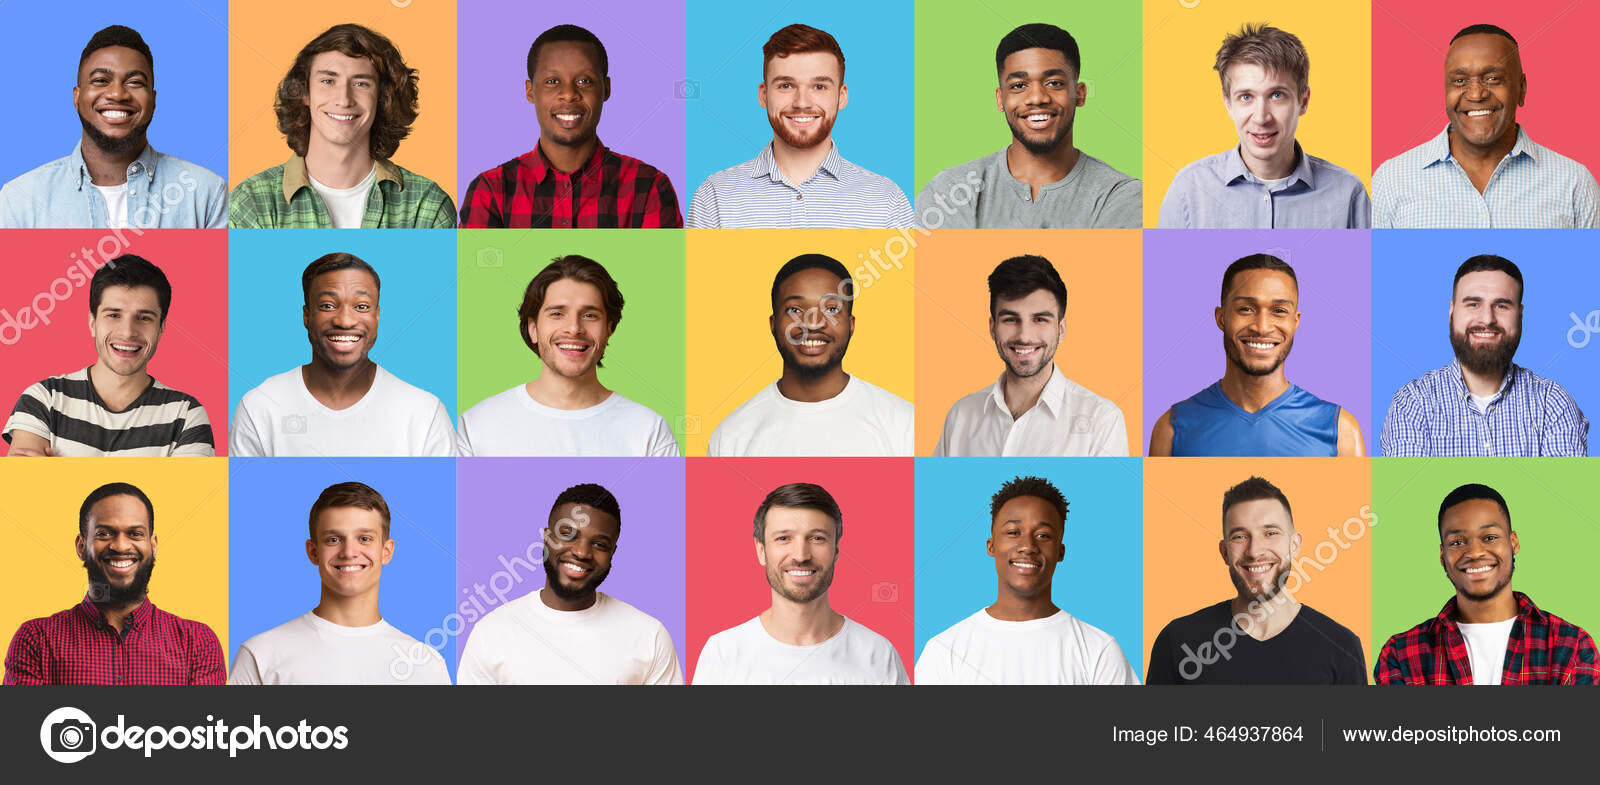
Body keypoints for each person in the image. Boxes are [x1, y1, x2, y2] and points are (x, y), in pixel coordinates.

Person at [1371, 24, 1599, 228]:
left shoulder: (1574, 184)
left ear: (1522, 88)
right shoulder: (1391, 180)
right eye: (1459, 81)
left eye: (1492, 78)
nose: (1476, 93)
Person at [915, 23, 1140, 229]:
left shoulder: (1120, 195)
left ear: (1079, 94)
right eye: (1019, 85)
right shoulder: (950, 191)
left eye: (1054, 83)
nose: (1036, 98)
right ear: (1000, 99)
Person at [915, 476, 1138, 684]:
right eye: (1013, 532)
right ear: (991, 546)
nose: (1028, 547)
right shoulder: (943, 651)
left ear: (1060, 552)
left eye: (1043, 535)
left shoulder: (1099, 650)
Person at [686, 24, 913, 228]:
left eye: (820, 87)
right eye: (786, 85)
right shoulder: (715, 196)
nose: (802, 102)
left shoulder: (886, 201)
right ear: (764, 95)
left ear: (841, 97)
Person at [0, 25, 227, 228]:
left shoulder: (206, 194)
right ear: (77, 97)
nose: (117, 94)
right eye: (100, 80)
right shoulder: (20, 199)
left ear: (153, 99)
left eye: (135, 82)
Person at [229, 24, 455, 228]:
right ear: (304, 93)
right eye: (328, 81)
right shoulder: (253, 202)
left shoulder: (427, 205)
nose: (344, 99)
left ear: (382, 97)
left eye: (360, 83)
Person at [229, 253, 455, 456]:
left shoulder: (424, 412)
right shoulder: (260, 406)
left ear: (377, 316)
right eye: (328, 306)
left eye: (362, 307)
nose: (345, 321)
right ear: (307, 316)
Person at [1147, 476, 1366, 684]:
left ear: (1294, 545)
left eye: (1270, 533)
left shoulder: (1341, 646)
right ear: (1224, 552)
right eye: (1240, 537)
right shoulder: (1177, 641)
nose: (1254, 551)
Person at [459, 25, 682, 228]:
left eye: (584, 81)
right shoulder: (491, 191)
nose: (568, 94)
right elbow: (478, 273)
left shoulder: (649, 187)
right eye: (552, 81)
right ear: (530, 91)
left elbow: (658, 273)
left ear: (606, 89)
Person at [458, 483, 681, 684]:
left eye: (599, 544)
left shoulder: (649, 636)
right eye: (568, 535)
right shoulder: (491, 633)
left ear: (612, 553)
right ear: (546, 538)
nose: (582, 552)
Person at [456, 256, 679, 456]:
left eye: (590, 315)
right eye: (557, 314)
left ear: (609, 330)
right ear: (533, 329)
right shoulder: (476, 425)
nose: (574, 328)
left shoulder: (650, 431)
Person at [1375, 484, 1598, 685]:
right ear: (1443, 556)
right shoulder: (1402, 654)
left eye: (1489, 537)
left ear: (1513, 542)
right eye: (1457, 542)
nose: (1474, 553)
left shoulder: (1570, 646)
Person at [4, 482, 225, 684]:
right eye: (105, 533)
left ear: (153, 545)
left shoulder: (197, 643)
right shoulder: (36, 640)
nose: (120, 546)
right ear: (81, 546)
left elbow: (203, 726)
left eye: (135, 534)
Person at [230, 482, 449, 685]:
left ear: (386, 551)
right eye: (334, 540)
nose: (349, 552)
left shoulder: (427, 665)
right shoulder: (260, 654)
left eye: (364, 538)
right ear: (313, 552)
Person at [1150, 254, 1364, 457]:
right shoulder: (1171, 429)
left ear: (1295, 322)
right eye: (1246, 309)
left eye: (1279, 310)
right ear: (1221, 318)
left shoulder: (1341, 431)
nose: (1262, 327)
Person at [1157, 23, 1368, 229]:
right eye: (1246, 97)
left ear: (1303, 101)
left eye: (1277, 95)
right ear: (1228, 104)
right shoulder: (1189, 189)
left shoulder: (1349, 194)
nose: (1261, 117)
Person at [693, 483, 907, 684]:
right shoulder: (722, 652)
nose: (801, 555)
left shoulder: (878, 654)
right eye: (784, 538)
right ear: (761, 551)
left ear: (836, 550)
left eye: (817, 539)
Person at [5, 255, 213, 456]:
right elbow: (24, 488)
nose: (128, 332)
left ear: (161, 328)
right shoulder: (43, 398)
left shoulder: (187, 414)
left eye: (144, 318)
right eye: (113, 315)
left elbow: (190, 493)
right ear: (92, 323)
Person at [1380, 255, 1587, 457]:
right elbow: (1412, 492)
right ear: (1452, 311)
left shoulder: (1552, 402)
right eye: (1473, 304)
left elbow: (1564, 492)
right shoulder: (1412, 404)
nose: (1487, 319)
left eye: (1501, 306)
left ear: (1520, 314)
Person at [707, 254, 912, 456]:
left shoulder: (903, 422)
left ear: (851, 325)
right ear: (773, 324)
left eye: (831, 309)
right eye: (795, 310)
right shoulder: (731, 435)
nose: (813, 323)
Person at [934, 255, 1127, 456]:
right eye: (1010, 319)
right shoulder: (960, 416)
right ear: (993, 328)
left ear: (1060, 330)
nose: (1024, 336)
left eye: (1039, 319)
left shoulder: (1102, 420)